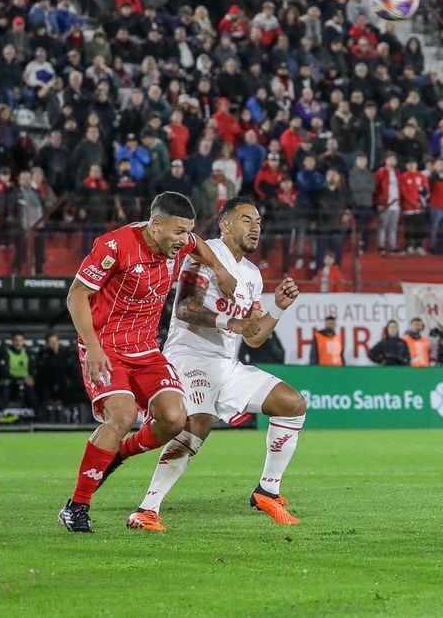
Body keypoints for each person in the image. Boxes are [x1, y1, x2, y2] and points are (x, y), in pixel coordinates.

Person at [58, 192, 238, 533]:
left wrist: (219, 269)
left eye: (187, 231)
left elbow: (198, 243)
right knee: (123, 415)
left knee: (174, 418)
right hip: (106, 347)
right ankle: (77, 506)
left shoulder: (181, 243)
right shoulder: (115, 247)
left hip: (145, 348)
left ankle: (118, 453)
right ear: (155, 225)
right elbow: (77, 294)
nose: (183, 240)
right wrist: (93, 348)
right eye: (177, 232)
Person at [130, 197, 305, 531]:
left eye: (258, 222)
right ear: (225, 225)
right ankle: (147, 509)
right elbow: (184, 308)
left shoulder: (252, 274)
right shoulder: (204, 255)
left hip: (225, 363)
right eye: (246, 220)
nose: (255, 228)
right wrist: (231, 323)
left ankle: (267, 491)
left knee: (292, 404)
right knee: (198, 422)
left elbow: (254, 337)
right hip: (189, 357)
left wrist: (278, 308)